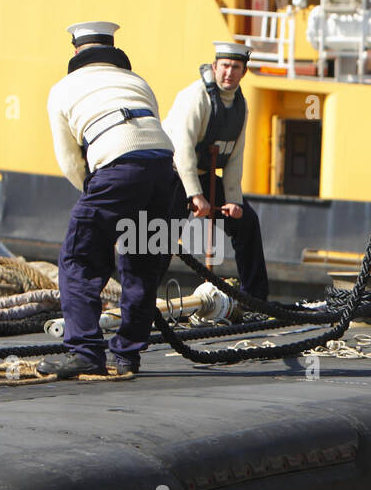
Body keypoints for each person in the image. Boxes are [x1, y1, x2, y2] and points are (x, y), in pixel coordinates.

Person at [41, 21, 176, 378]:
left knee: (80, 259)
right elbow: (152, 134)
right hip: (164, 169)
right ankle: (127, 355)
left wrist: (99, 197)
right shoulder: (138, 82)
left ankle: (85, 350)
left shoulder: (62, 89)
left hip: (116, 168)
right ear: (112, 50)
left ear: (76, 52)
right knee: (143, 261)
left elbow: (70, 160)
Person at [163, 41, 270, 300]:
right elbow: (183, 149)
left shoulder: (240, 105)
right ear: (214, 66)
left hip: (205, 174)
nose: (228, 73)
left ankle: (255, 299)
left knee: (246, 222)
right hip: (174, 174)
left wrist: (233, 201)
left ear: (244, 72)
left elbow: (235, 155)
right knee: (163, 237)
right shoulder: (195, 97)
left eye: (236, 67)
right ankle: (141, 304)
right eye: (224, 66)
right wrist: (195, 195)